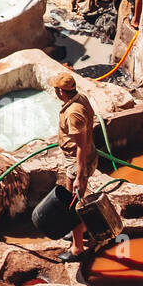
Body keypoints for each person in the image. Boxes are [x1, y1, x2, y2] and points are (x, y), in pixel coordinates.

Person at [51, 71, 97, 261]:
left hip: (78, 161)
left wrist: (79, 175)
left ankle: (77, 249)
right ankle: (80, 230)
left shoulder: (74, 113)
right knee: (75, 202)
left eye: (56, 89)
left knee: (74, 205)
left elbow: (81, 146)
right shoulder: (79, 98)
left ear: (61, 92)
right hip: (81, 158)